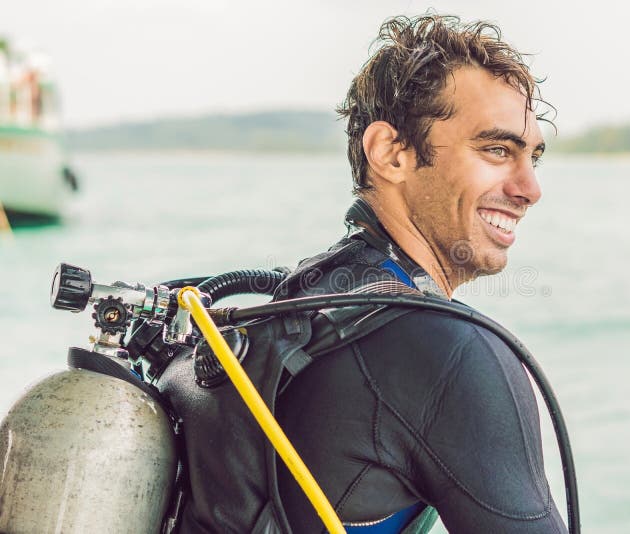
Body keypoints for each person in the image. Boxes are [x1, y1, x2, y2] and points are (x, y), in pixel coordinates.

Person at [160, 14, 566, 534]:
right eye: (497, 150)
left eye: (532, 157)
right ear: (391, 154)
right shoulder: (450, 352)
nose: (530, 189)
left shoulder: (310, 307)